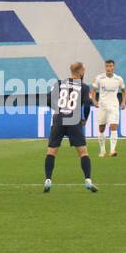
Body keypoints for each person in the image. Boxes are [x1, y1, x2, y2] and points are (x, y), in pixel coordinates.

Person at [43, 61, 97, 193]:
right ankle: (88, 180)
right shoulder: (83, 87)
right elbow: (87, 105)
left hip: (59, 119)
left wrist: (59, 109)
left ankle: (48, 180)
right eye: (83, 70)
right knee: (83, 152)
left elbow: (48, 100)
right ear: (80, 72)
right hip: (74, 121)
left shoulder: (59, 83)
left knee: (51, 151)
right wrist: (85, 119)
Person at [91, 59, 126, 158]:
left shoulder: (118, 79)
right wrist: (94, 101)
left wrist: (123, 102)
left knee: (114, 127)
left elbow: (124, 91)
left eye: (111, 66)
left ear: (114, 67)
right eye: (107, 66)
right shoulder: (99, 78)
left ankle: (112, 150)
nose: (109, 68)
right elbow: (93, 91)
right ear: (105, 67)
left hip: (114, 106)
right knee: (101, 128)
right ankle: (102, 151)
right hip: (102, 106)